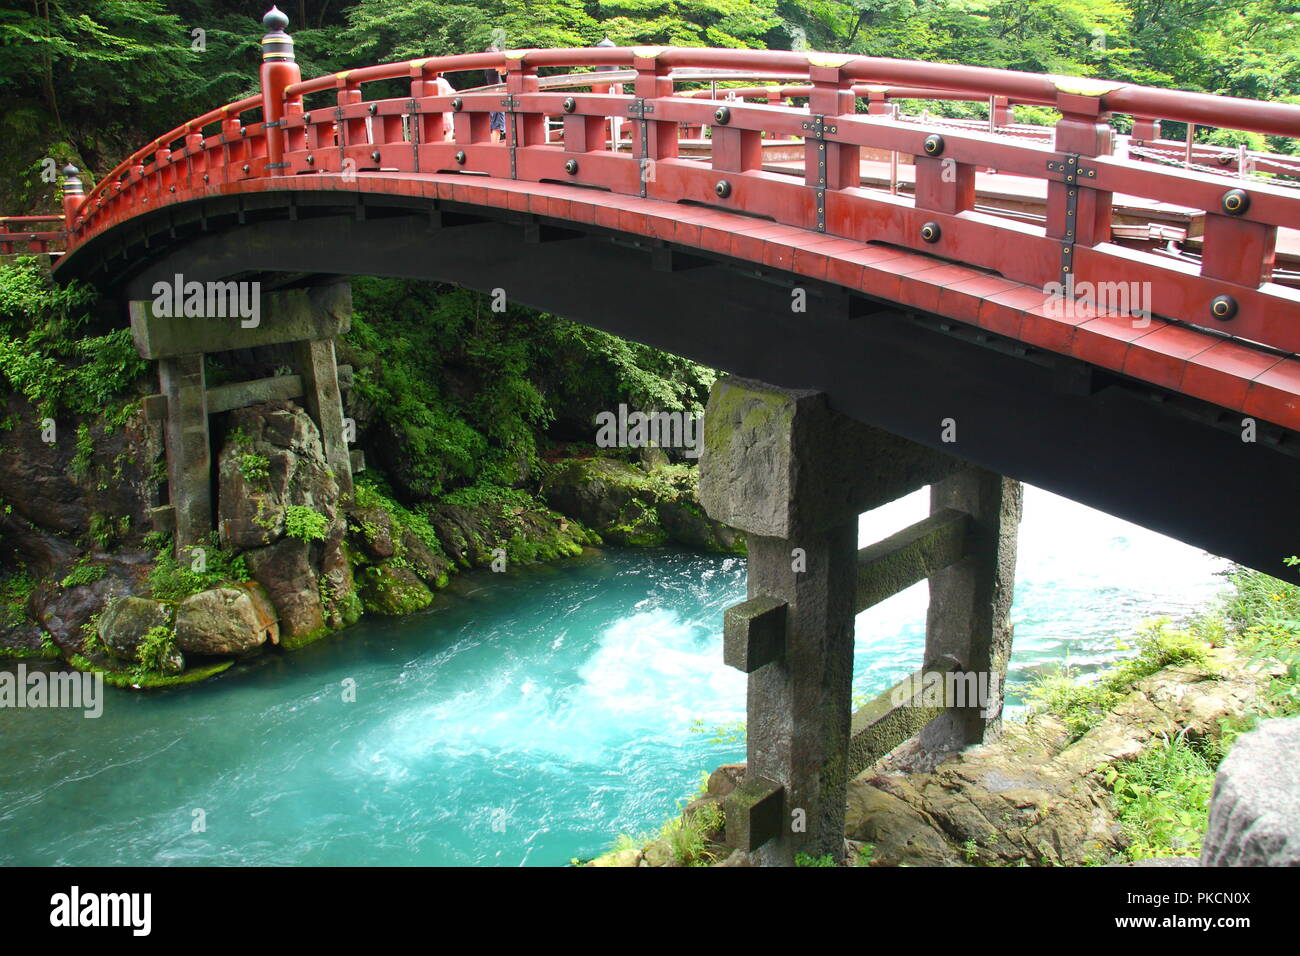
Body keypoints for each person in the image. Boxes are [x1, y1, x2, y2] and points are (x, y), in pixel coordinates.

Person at [484, 45, 506, 143]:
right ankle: (494, 147)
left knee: (495, 126)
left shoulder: (488, 67)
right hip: (497, 97)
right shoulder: (492, 67)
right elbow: (503, 71)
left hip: (494, 96)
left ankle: (492, 147)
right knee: (497, 127)